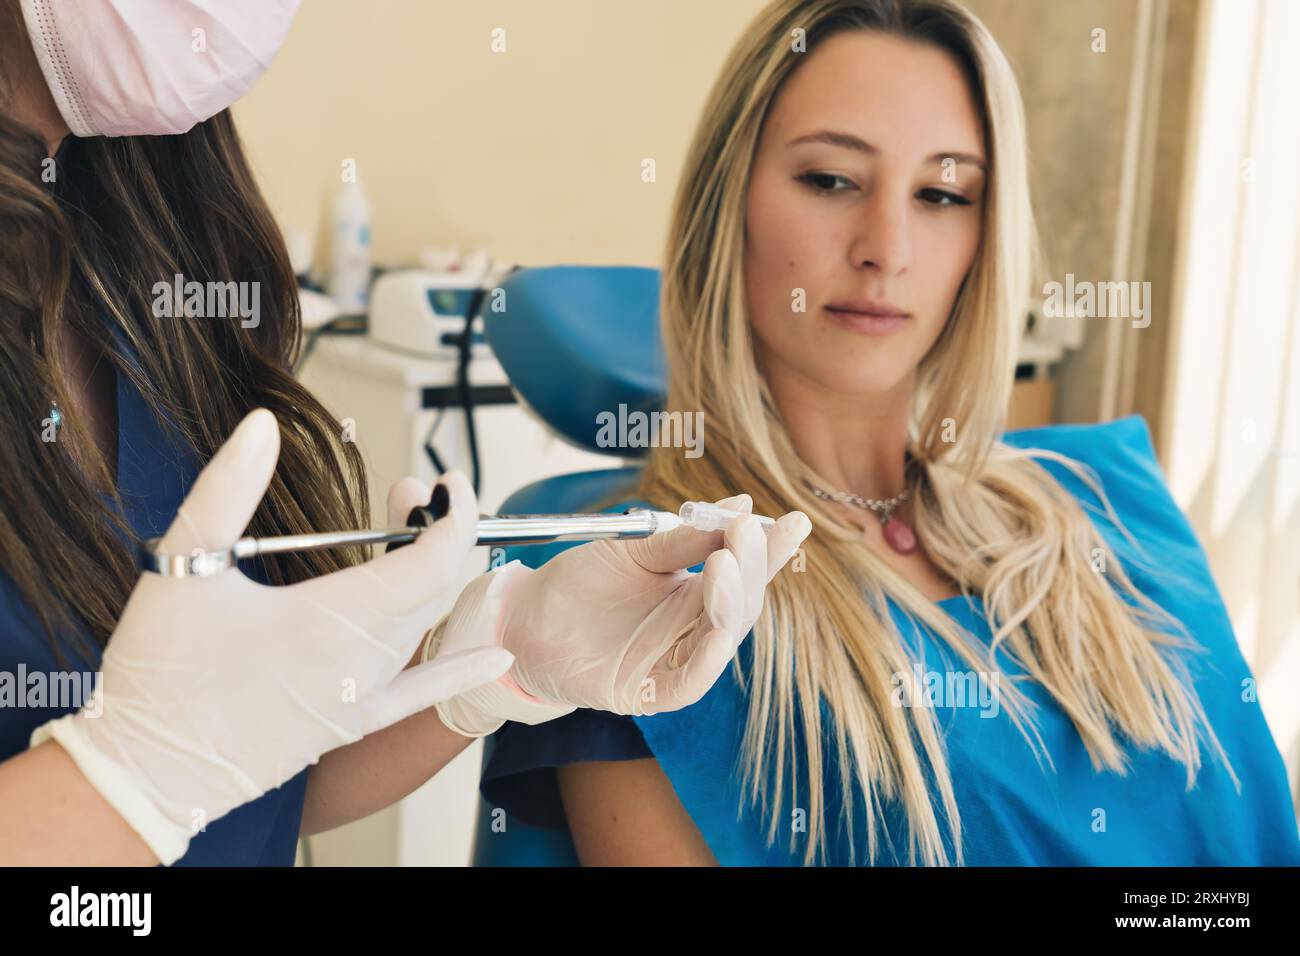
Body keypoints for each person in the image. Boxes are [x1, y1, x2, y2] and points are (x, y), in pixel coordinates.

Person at [478, 0, 1300, 866]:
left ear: (987, 237)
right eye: (831, 180)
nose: (888, 247)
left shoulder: (1104, 496)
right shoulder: (635, 596)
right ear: (730, 203)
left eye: (943, 193)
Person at [0, 0, 812, 865]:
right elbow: (177, 767)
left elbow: (256, 789)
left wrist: (489, 663)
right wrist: (131, 775)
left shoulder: (139, 240)